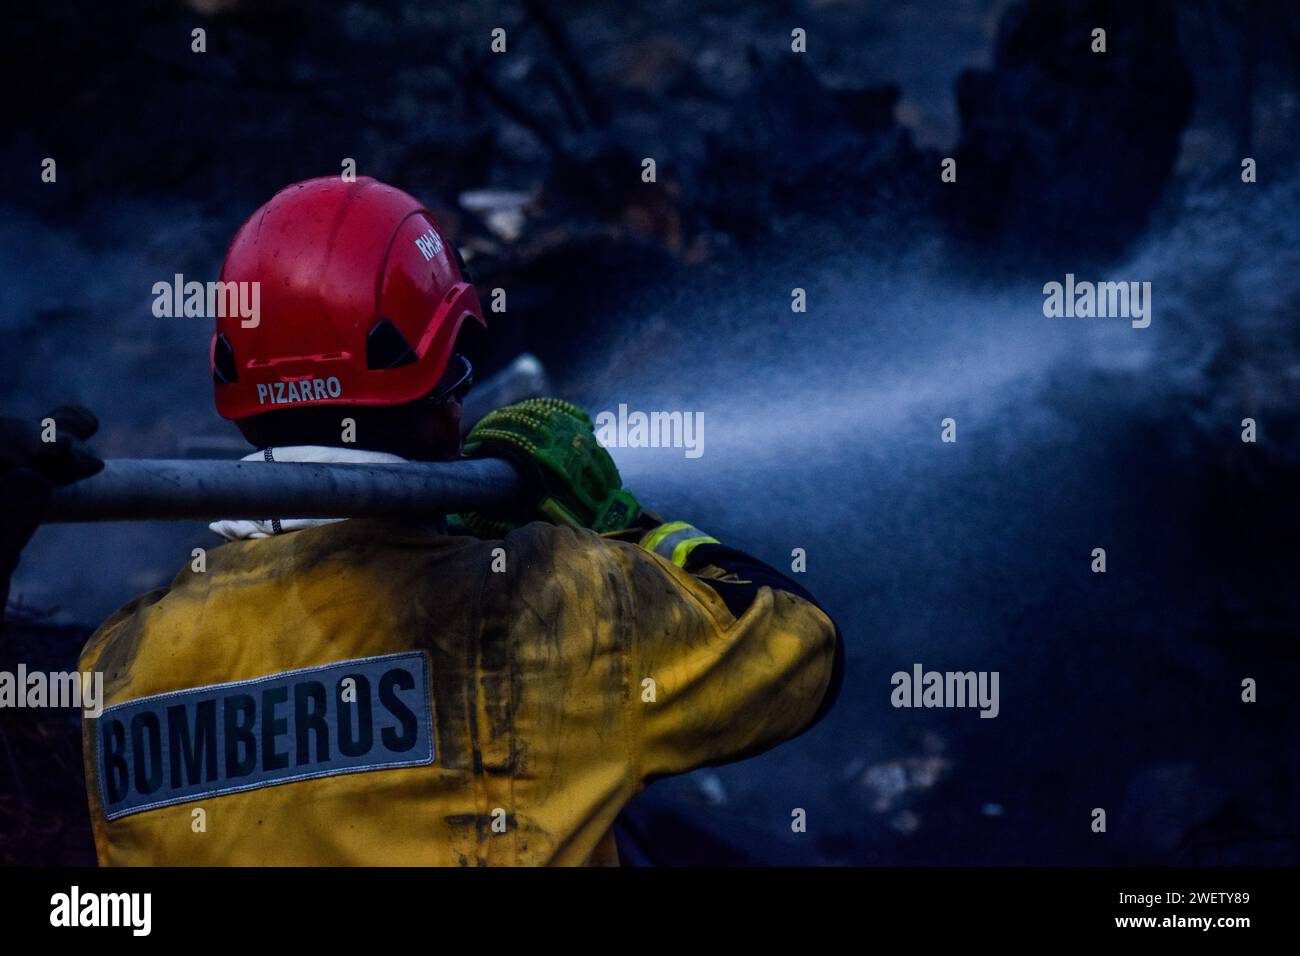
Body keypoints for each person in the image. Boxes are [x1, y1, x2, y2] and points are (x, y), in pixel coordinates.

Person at [0, 176, 842, 865]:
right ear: (446, 398)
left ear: (240, 406)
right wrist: (620, 524)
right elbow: (800, 649)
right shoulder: (566, 603)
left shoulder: (123, 667)